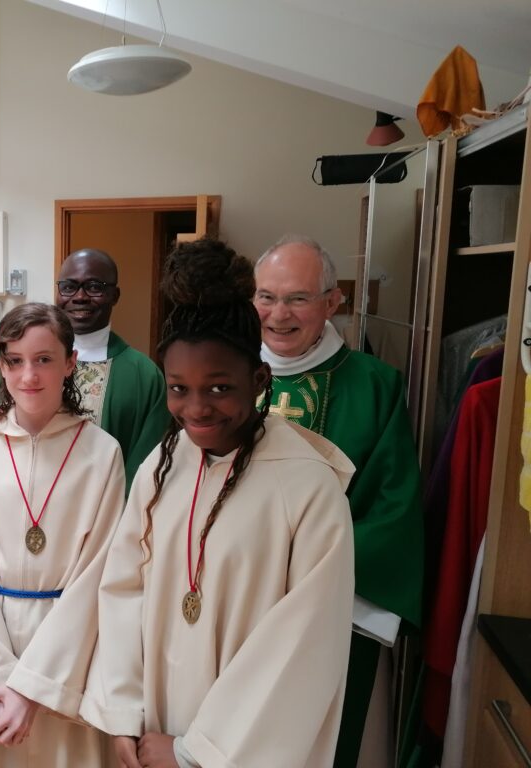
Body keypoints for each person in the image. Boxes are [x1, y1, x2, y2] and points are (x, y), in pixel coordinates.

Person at [81, 239, 355, 768]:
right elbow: (122, 591)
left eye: (219, 387)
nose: (196, 408)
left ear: (258, 381)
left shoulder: (309, 486)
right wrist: (122, 713)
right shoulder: (163, 465)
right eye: (179, 388)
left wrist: (193, 752)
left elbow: (302, 650)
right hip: (149, 733)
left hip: (237, 749)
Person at [253, 234, 423, 768]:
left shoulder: (375, 386)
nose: (278, 314)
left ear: (333, 302)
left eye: (298, 298)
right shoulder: (221, 378)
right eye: (266, 296)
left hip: (331, 609)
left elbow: (393, 508)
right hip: (235, 604)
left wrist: (309, 578)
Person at [0, 302, 125, 766]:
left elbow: (98, 576)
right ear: (1, 365)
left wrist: (33, 689)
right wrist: (1, 681)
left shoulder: (101, 453)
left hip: (69, 654)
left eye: (44, 359)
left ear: (70, 364)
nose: (29, 374)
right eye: (15, 360)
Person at [55, 248, 170, 492]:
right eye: (69, 286)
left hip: (110, 518)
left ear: (115, 295)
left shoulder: (144, 375)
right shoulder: (35, 364)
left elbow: (146, 464)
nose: (80, 297)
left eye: (95, 287)